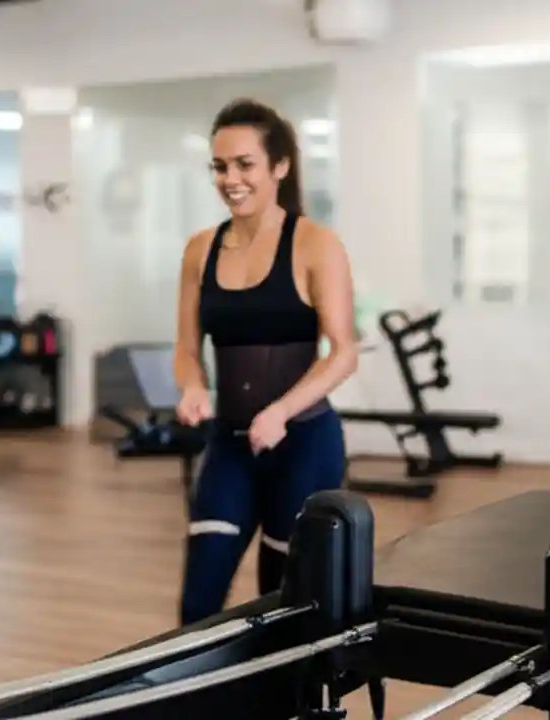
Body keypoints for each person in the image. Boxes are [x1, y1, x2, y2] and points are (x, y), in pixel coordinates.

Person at [172, 98, 359, 625]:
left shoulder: (316, 244)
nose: (231, 178)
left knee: (283, 609)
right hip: (229, 446)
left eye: (244, 164)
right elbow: (187, 349)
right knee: (197, 606)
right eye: (220, 166)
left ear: (279, 167)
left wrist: (279, 411)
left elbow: (343, 352)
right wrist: (192, 387)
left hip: (304, 443)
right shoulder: (199, 250)